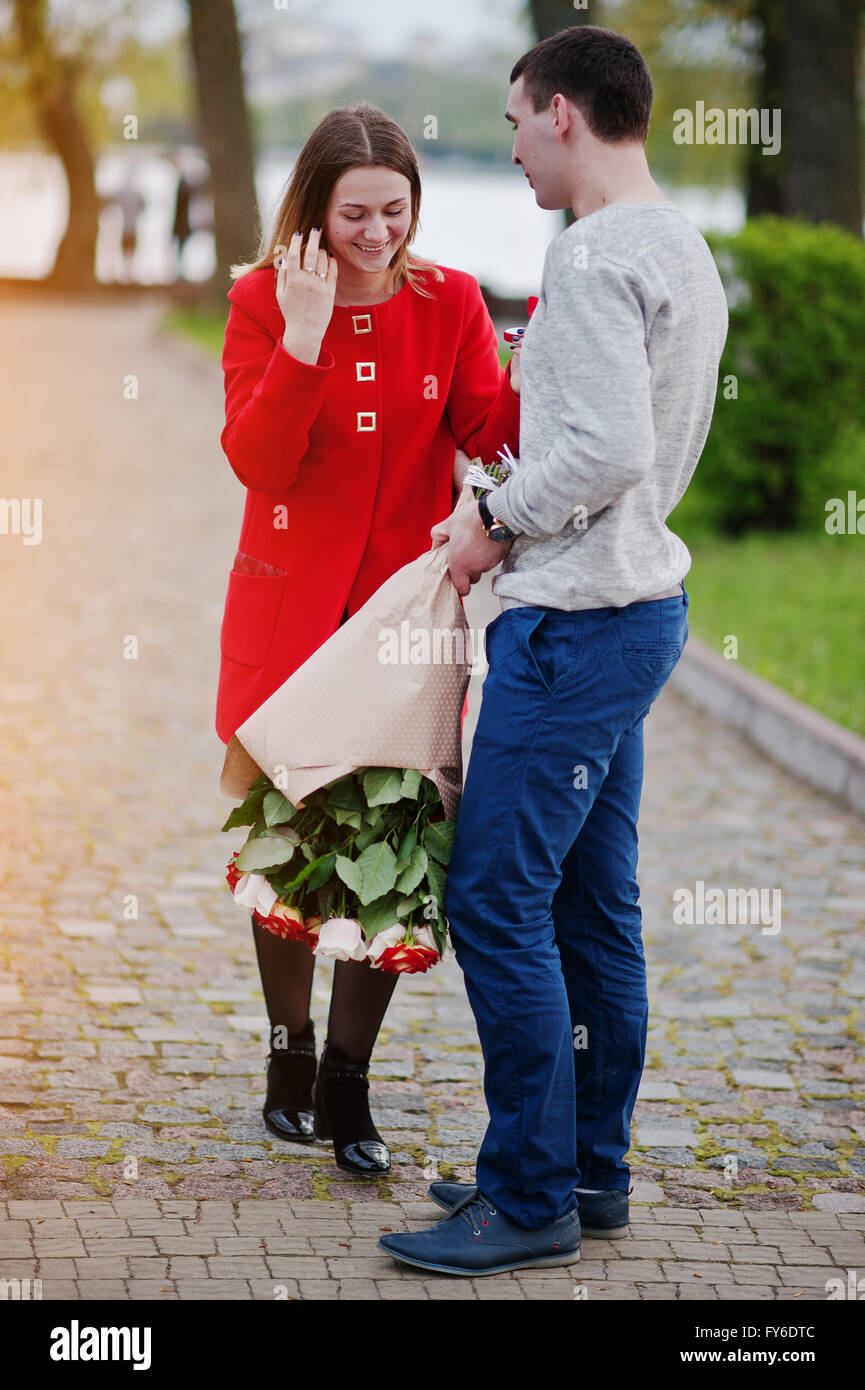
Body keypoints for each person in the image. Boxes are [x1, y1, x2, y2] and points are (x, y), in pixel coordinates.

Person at [378, 25, 728, 1275]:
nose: (514, 145)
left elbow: (605, 453)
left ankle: (528, 1194)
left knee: (495, 897)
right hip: (632, 611)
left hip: (576, 626)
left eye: (519, 119)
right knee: (591, 905)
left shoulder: (587, 257)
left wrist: (490, 521)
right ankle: (588, 1169)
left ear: (566, 113)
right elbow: (632, 449)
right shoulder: (680, 244)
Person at [216, 103, 521, 1177]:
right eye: (355, 212)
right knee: (291, 848)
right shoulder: (261, 300)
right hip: (293, 621)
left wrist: (543, 356)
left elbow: (491, 430)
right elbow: (258, 463)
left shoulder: (446, 303)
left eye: (396, 210)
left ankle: (350, 1082)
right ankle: (287, 1057)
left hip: (402, 629)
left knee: (390, 864)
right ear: (314, 205)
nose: (379, 231)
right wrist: (301, 339)